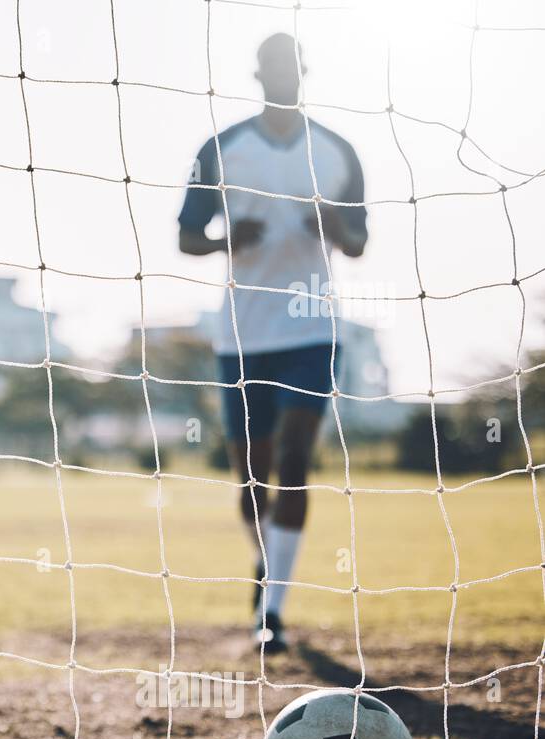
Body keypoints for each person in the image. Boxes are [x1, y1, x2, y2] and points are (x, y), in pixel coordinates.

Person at [177, 33, 368, 653]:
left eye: (292, 67)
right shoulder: (222, 148)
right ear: (258, 74)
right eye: (273, 68)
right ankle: (267, 564)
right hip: (242, 336)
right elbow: (187, 236)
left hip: (312, 329)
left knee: (293, 460)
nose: (283, 75)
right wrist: (226, 239)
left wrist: (332, 223)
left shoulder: (337, 152)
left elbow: (359, 240)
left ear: (303, 72)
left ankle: (275, 613)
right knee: (252, 481)